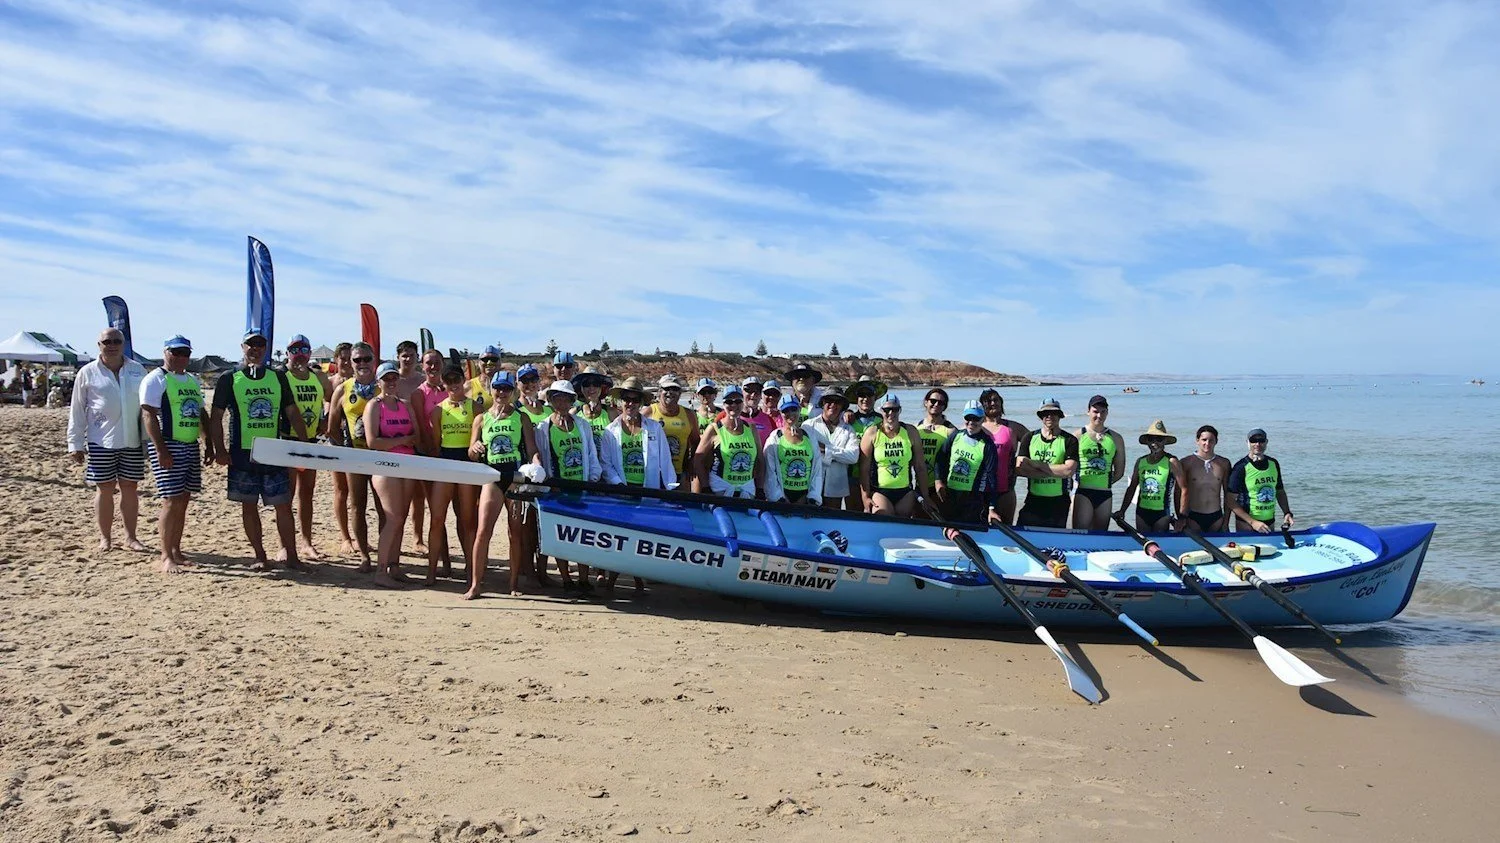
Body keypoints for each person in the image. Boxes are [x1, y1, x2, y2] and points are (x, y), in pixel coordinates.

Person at [208, 329, 309, 571]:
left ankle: (292, 556)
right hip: (242, 453)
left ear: (265, 348)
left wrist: (303, 444)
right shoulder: (229, 378)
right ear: (242, 347)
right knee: (249, 504)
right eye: (251, 344)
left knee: (283, 505)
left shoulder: (277, 377)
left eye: (260, 345)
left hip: (273, 451)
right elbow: (216, 416)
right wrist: (219, 449)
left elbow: (292, 411)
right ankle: (260, 555)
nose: (255, 349)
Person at [67, 327, 148, 552]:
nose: (112, 345)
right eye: (107, 342)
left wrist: (149, 439)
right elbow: (77, 409)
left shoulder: (137, 370)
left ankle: (131, 537)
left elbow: (148, 407)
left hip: (132, 438)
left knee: (130, 487)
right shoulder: (87, 372)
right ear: (99, 345)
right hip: (100, 440)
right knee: (104, 488)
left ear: (123, 344)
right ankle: (105, 538)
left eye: (116, 341)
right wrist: (75, 444)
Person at [466, 370, 540, 600]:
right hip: (492, 477)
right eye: (498, 388)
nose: (501, 393)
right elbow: (471, 453)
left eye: (507, 389)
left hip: (515, 478)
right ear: (491, 389)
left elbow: (531, 449)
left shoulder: (521, 417)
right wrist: (475, 448)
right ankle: (475, 584)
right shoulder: (481, 419)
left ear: (513, 391)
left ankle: (513, 583)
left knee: (515, 533)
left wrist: (537, 465)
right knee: (483, 531)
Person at [598, 376, 676, 594]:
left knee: (642, 538)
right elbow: (606, 464)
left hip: (647, 491)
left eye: (634, 400)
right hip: (622, 492)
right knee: (620, 538)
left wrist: (670, 488)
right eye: (626, 399)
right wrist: (618, 484)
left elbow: (665, 460)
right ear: (620, 401)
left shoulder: (654, 428)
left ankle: (638, 578)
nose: (630, 404)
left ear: (641, 403)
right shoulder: (610, 431)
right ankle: (615, 579)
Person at [138, 335, 209, 572]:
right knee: (170, 500)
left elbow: (201, 414)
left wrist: (208, 443)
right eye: (175, 352)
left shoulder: (191, 380)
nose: (180, 357)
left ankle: (176, 550)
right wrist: (160, 449)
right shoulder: (156, 379)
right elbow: (148, 415)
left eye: (185, 353)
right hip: (169, 444)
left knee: (183, 500)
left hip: (190, 444)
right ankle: (166, 555)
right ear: (165, 352)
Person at [534, 379, 602, 591]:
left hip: (581, 487)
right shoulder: (543, 428)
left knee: (583, 535)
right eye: (557, 398)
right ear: (551, 400)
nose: (562, 402)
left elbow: (591, 453)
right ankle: (566, 579)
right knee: (561, 535)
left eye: (566, 398)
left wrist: (592, 479)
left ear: (572, 400)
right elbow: (541, 457)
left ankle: (584, 579)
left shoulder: (582, 425)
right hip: (557, 488)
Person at [362, 362, 421, 586]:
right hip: (385, 465)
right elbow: (373, 442)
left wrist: (401, 441)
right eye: (386, 378)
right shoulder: (374, 406)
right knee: (393, 517)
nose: (391, 382)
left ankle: (394, 566)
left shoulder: (405, 405)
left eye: (394, 377)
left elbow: (416, 436)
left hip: (408, 463)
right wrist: (402, 440)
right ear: (378, 382)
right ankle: (380, 571)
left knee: (401, 517)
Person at [426, 366, 480, 585]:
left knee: (467, 520)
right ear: (443, 383)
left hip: (467, 465)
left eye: (456, 379)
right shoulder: (438, 410)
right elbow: (436, 444)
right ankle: (431, 571)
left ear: (463, 379)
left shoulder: (476, 407)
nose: (453, 384)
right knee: (437, 519)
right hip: (446, 464)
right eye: (448, 381)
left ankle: (471, 570)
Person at [328, 342, 380, 567]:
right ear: (350, 362)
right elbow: (331, 428)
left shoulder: (384, 386)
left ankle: (386, 557)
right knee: (357, 506)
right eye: (357, 360)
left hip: (381, 457)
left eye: (367, 359)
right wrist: (347, 450)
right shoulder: (343, 389)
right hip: (356, 457)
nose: (362, 364)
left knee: (384, 508)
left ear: (374, 360)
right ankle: (364, 556)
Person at [284, 334, 331, 560]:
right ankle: (285, 544)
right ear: (287, 353)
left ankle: (306, 542)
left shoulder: (318, 377)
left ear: (310, 353)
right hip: (288, 440)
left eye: (304, 350)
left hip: (311, 441)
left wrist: (326, 419)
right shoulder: (282, 377)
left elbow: (333, 399)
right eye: (294, 350)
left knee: (307, 494)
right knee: (287, 495)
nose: (299, 354)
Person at [858, 394, 929, 516]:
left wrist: (926, 497)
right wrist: (865, 497)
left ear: (899, 410)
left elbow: (920, 467)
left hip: (905, 491)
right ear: (881, 411)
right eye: (887, 410)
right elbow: (864, 469)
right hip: (880, 491)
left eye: (895, 409)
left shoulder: (911, 431)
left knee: (903, 519)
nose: (891, 413)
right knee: (883, 515)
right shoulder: (872, 433)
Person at [1015, 398, 1079, 529]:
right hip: (1033, 499)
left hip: (1059, 501)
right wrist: (1053, 471)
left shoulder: (1069, 440)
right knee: (1023, 534)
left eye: (1053, 413)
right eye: (1045, 413)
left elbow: (1068, 471)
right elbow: (1020, 467)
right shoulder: (1029, 438)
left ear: (1060, 415)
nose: (1049, 416)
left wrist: (1036, 464)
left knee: (1054, 539)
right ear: (1041, 416)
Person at [933, 400, 1000, 524]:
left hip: (973, 499)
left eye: (976, 419)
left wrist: (992, 508)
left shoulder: (988, 445)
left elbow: (992, 478)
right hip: (950, 495)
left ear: (983, 419)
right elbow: (940, 458)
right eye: (968, 418)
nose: (971, 422)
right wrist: (938, 481)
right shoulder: (955, 436)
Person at [1116, 420, 1188, 533]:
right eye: (1151, 439)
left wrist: (1182, 517)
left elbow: (1183, 489)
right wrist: (1122, 510)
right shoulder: (1140, 461)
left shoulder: (1172, 461)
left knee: (1160, 541)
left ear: (1165, 441)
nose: (1154, 443)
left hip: (1162, 514)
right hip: (1141, 513)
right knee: (1144, 542)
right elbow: (1132, 488)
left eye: (1159, 439)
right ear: (1147, 441)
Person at [391, 340, 428, 555]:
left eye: (411, 355)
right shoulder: (392, 379)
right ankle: (396, 537)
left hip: (418, 440)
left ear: (417, 357)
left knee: (418, 495)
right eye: (404, 355)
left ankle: (417, 538)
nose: (408, 358)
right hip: (396, 441)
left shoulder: (422, 380)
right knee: (396, 497)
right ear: (398, 357)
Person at [695, 384, 761, 498]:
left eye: (738, 401)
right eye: (729, 402)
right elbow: (698, 459)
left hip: (747, 488)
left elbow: (760, 460)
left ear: (743, 403)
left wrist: (760, 488)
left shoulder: (751, 428)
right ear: (723, 404)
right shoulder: (714, 429)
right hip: (720, 488)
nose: (733, 405)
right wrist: (705, 487)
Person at [1072, 395, 1127, 530]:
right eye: (1095, 411)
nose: (1099, 416)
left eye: (1103, 412)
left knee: (1101, 534)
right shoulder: (1078, 435)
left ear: (1107, 413)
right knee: (1081, 533)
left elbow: (1119, 471)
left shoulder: (1116, 438)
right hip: (1083, 491)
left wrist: (1103, 481)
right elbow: (1069, 466)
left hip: (1105, 493)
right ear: (1088, 411)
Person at [1228, 428, 1294, 534]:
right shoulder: (1240, 467)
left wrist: (1287, 512)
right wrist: (1253, 522)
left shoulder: (1273, 463)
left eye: (1261, 441)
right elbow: (1230, 500)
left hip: (1269, 522)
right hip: (1247, 524)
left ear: (1266, 442)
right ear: (1247, 443)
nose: (1257, 444)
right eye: (1253, 441)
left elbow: (1279, 491)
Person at [978, 389, 1028, 525]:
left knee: (1006, 529)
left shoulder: (1013, 427)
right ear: (982, 405)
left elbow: (1035, 444)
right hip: (978, 491)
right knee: (978, 529)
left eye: (996, 400)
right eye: (988, 401)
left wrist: (1022, 461)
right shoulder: (976, 426)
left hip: (1006, 490)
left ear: (1001, 402)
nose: (993, 403)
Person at [803, 391, 859, 510]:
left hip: (836, 487)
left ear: (842, 406)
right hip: (810, 484)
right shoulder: (808, 426)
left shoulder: (849, 430)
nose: (833, 404)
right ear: (822, 403)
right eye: (829, 400)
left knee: (833, 518)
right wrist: (838, 455)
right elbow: (807, 453)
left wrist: (825, 449)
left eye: (837, 402)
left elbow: (853, 457)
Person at [762, 396, 823, 505]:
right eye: (786, 410)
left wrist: (811, 497)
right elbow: (770, 472)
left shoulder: (809, 436)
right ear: (780, 413)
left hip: (805, 496)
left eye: (794, 409)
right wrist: (779, 497)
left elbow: (817, 470)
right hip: (782, 497)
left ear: (799, 410)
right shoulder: (775, 438)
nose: (790, 413)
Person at [645, 373, 699, 482]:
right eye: (666, 389)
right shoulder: (648, 413)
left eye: (675, 389)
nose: (670, 392)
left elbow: (696, 442)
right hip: (654, 473)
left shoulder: (689, 415)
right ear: (659, 391)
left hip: (679, 472)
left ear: (680, 393)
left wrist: (692, 461)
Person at [842, 376, 886, 509]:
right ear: (856, 398)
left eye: (869, 394)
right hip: (852, 476)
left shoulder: (882, 421)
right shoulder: (847, 420)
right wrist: (846, 412)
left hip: (877, 478)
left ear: (875, 397)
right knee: (853, 513)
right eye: (861, 394)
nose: (865, 398)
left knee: (876, 512)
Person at [1182, 425, 1231, 532]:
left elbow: (1228, 494)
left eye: (1211, 440)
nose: (1207, 443)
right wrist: (1181, 517)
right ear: (1197, 440)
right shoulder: (1187, 462)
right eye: (1204, 440)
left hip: (1216, 516)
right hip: (1193, 516)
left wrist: (1226, 521)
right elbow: (1179, 492)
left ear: (1216, 441)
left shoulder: (1224, 463)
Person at [572, 367, 615, 463]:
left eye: (596, 384)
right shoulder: (574, 414)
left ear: (601, 388)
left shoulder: (610, 412)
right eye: (587, 384)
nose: (591, 388)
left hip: (606, 465)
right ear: (581, 388)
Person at [916, 388, 956, 483]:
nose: (936, 404)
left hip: (942, 484)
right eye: (933, 401)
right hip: (920, 484)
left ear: (944, 407)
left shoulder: (951, 431)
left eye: (940, 403)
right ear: (926, 402)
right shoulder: (916, 428)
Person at [737, 376, 775, 447]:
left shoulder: (768, 420)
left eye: (757, 391)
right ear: (741, 392)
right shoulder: (727, 417)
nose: (753, 394)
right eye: (749, 390)